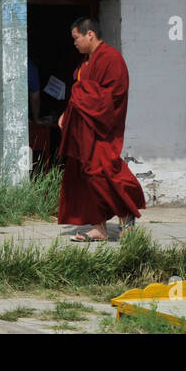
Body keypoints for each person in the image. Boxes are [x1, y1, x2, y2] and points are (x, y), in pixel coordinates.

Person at [56, 17, 146, 242]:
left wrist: (79, 93)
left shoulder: (111, 58)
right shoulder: (87, 62)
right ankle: (99, 228)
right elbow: (81, 94)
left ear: (90, 35)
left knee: (103, 173)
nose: (74, 43)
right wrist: (68, 111)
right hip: (85, 131)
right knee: (85, 175)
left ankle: (126, 216)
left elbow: (113, 95)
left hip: (103, 130)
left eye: (76, 38)